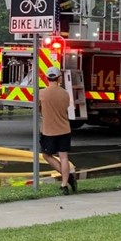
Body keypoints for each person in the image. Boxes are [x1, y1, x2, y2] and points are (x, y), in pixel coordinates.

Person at [38, 66, 77, 194]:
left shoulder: (41, 93)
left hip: (48, 130)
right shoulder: (65, 93)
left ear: (46, 78)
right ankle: (65, 184)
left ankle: (68, 177)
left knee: (46, 155)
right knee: (64, 157)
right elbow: (66, 107)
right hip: (64, 129)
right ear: (59, 78)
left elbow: (39, 109)